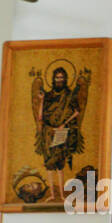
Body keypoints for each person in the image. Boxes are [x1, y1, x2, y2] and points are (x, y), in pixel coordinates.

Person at [30, 62, 91, 203]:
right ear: (53, 79)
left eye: (61, 77)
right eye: (57, 78)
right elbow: (40, 117)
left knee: (59, 163)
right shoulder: (48, 95)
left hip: (61, 133)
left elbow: (76, 112)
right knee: (48, 164)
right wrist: (41, 100)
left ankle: (62, 196)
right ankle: (52, 194)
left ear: (65, 78)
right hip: (48, 133)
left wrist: (64, 124)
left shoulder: (70, 95)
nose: (59, 80)